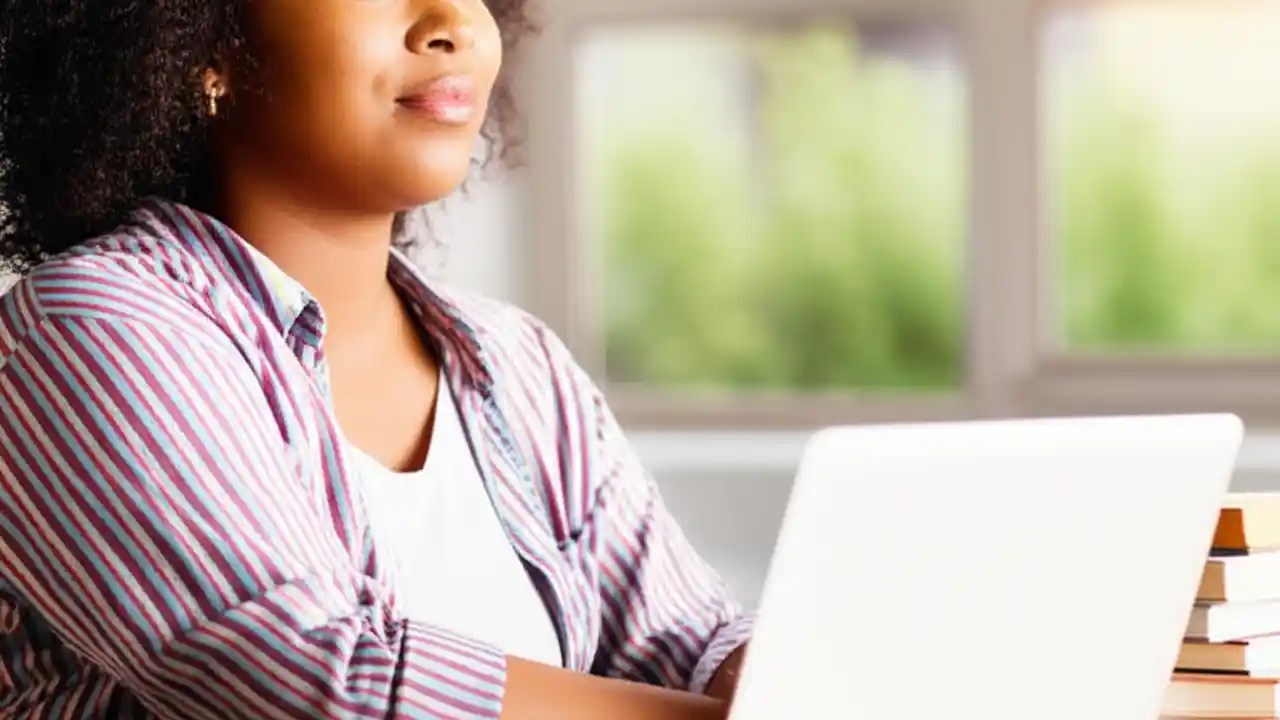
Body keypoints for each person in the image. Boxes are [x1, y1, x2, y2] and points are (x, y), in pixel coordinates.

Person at [0, 0, 751, 717]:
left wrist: (802, 673)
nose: (452, 24)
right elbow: (317, 686)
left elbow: (683, 641)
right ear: (207, 48)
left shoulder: (519, 365)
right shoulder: (90, 328)